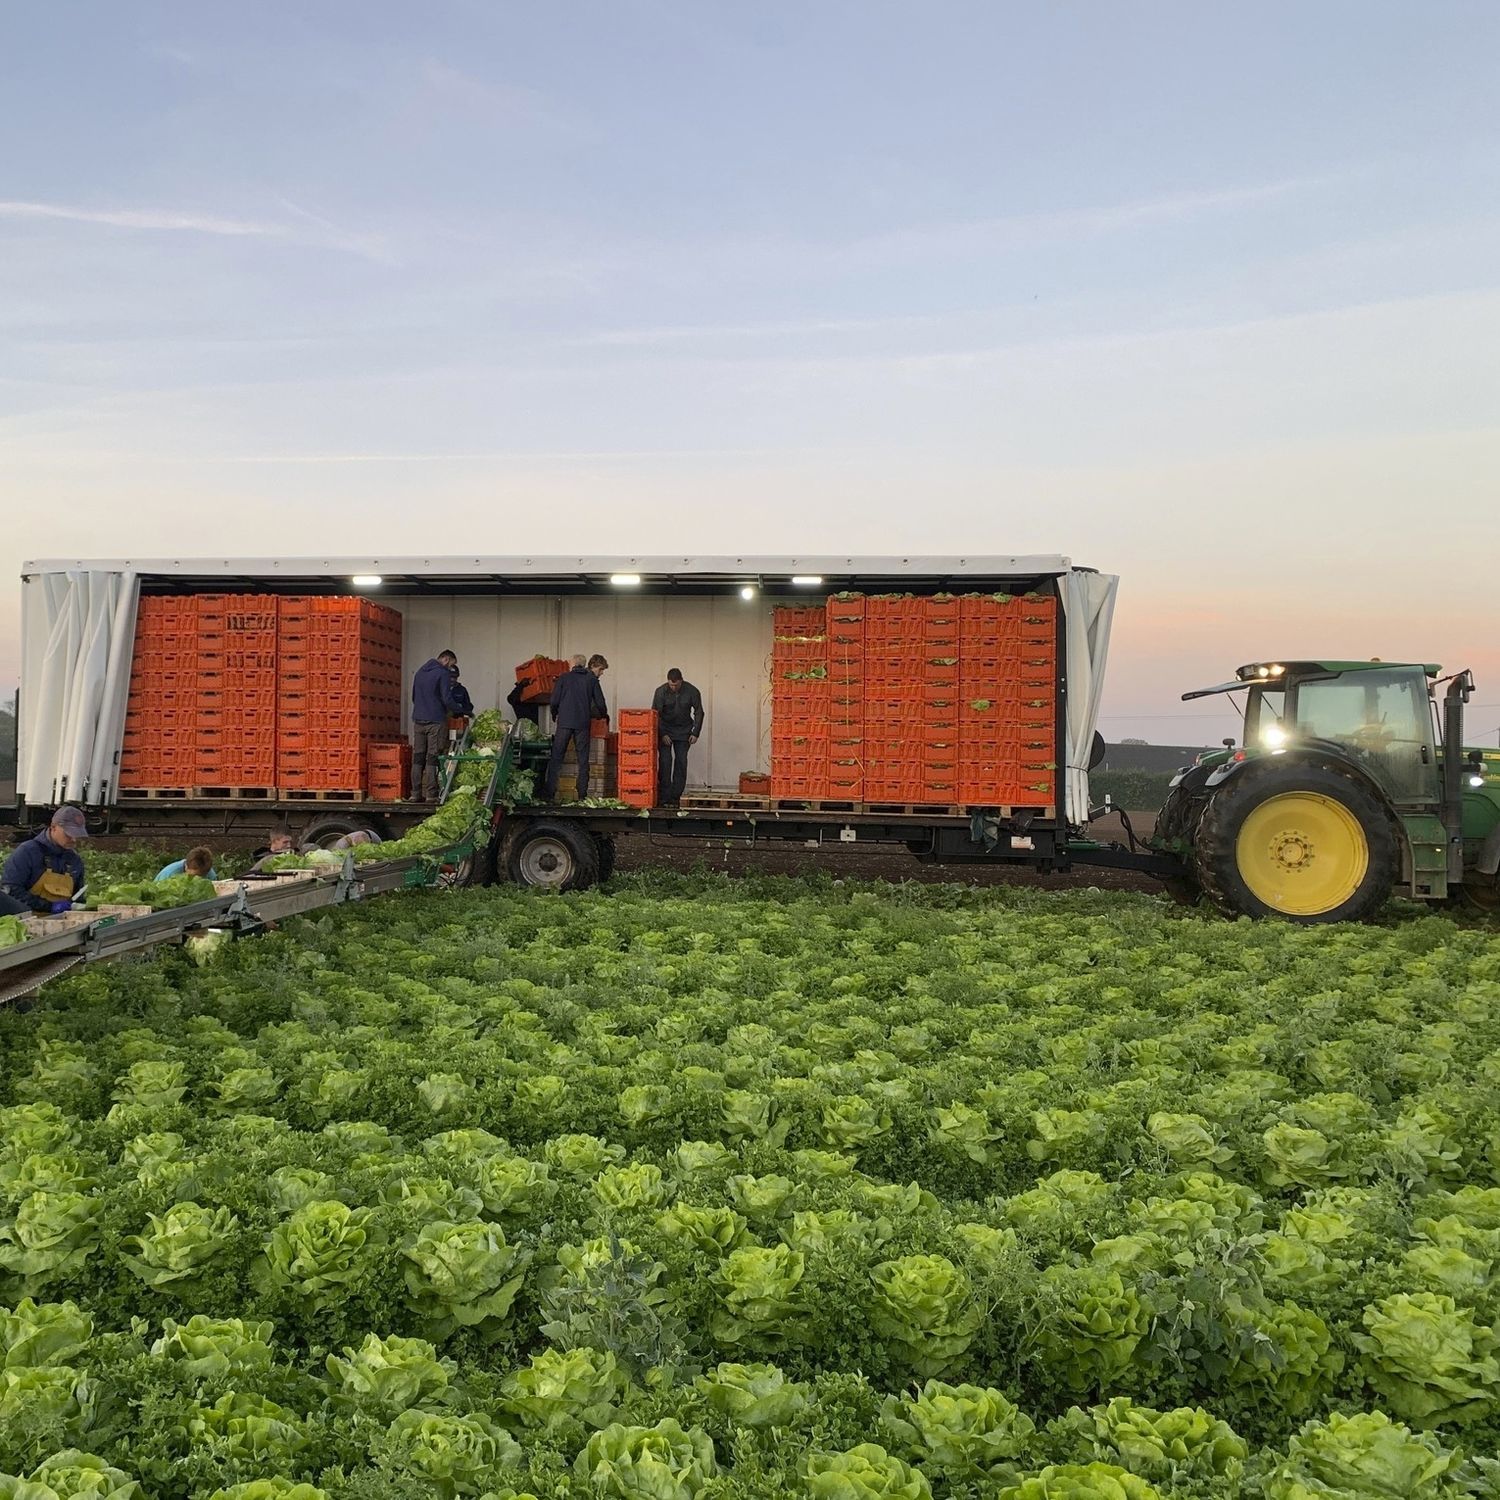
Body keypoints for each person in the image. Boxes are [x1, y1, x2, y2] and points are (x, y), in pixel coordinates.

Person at [1, 806, 89, 914]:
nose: (73, 839)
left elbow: (78, 897)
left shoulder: (74, 860)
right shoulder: (27, 852)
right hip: (25, 923)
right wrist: (48, 906)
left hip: (64, 924)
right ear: (53, 827)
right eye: (68, 834)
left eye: (77, 835)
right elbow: (10, 891)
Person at [545, 654, 609, 801]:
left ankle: (549, 794)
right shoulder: (591, 679)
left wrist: (555, 714)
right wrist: (603, 715)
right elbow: (600, 702)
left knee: (556, 758)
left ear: (572, 664)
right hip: (582, 724)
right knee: (583, 760)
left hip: (564, 723)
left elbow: (554, 700)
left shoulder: (564, 678)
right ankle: (582, 795)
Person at [651, 668, 706, 806]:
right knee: (665, 762)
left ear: (681, 680)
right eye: (671, 685)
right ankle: (664, 797)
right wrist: (662, 733)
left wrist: (695, 732)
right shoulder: (660, 692)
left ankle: (676, 797)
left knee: (681, 762)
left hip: (684, 731)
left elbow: (699, 712)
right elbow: (655, 714)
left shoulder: (692, 691)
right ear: (667, 681)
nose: (673, 687)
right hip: (666, 730)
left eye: (676, 685)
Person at [411, 649, 459, 801]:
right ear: (445, 659)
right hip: (435, 720)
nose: (450, 667)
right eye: (451, 664)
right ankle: (431, 794)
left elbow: (414, 696)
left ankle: (415, 793)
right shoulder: (442, 673)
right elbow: (446, 698)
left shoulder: (420, 672)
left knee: (418, 757)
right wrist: (459, 709)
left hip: (418, 719)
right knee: (432, 757)